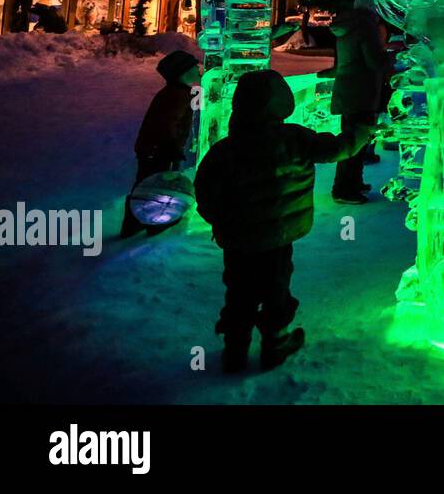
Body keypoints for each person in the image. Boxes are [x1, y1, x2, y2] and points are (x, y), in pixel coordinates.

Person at [195, 70, 376, 373]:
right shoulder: (295, 138)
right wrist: (362, 132)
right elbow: (338, 148)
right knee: (276, 289)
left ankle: (234, 350)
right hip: (279, 237)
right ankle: (276, 344)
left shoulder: (225, 150)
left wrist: (221, 221)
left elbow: (205, 192)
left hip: (238, 240)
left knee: (238, 293)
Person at [123, 50, 201, 237]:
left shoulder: (177, 92)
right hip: (158, 149)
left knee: (146, 181)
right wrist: (172, 147)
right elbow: (167, 123)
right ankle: (149, 221)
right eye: (194, 67)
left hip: (153, 148)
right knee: (155, 184)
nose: (199, 70)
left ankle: (136, 222)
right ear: (182, 73)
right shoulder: (177, 95)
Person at [328, 0, 388, 204]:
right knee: (355, 140)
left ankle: (352, 182)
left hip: (350, 91)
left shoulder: (351, 25)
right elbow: (373, 61)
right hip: (361, 91)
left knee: (353, 139)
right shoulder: (366, 27)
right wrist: (390, 60)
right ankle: (344, 189)